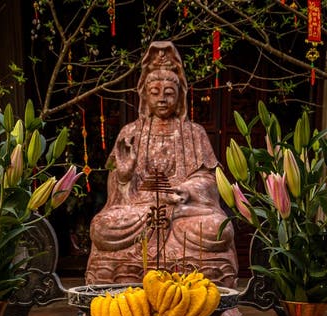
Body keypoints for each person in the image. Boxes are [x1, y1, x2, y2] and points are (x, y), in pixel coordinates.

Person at [85, 41, 238, 287]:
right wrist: (123, 175)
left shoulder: (194, 133)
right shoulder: (130, 132)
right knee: (101, 228)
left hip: (182, 213)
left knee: (219, 229)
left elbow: (210, 180)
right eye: (155, 92)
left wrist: (186, 190)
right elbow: (116, 194)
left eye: (169, 93)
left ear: (180, 96)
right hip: (140, 213)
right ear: (145, 95)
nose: (162, 99)